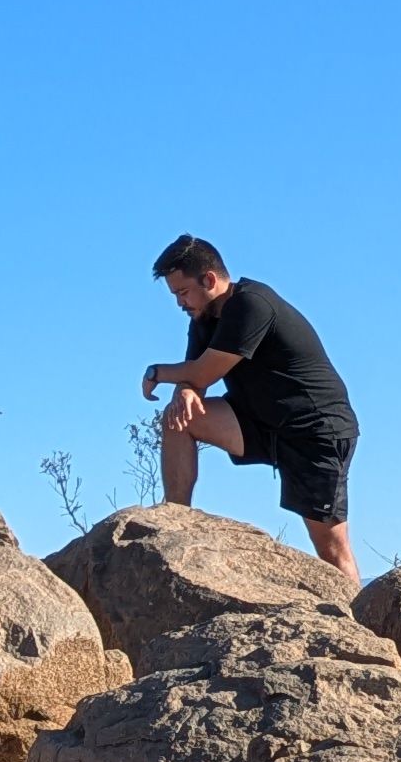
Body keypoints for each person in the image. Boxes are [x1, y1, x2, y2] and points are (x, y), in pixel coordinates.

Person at [140, 235, 363, 588]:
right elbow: (194, 374)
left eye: (183, 293)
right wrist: (183, 392)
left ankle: (362, 630)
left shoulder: (252, 305)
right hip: (260, 420)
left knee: (332, 549)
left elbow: (201, 372)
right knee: (178, 420)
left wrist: (158, 373)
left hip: (315, 430)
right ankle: (176, 520)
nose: (180, 303)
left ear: (209, 280)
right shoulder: (203, 317)